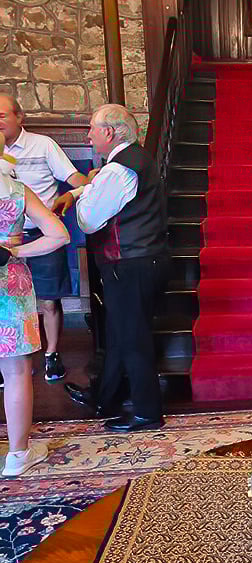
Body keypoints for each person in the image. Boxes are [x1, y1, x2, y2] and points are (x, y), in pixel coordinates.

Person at [56, 105, 169, 432]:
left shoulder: (120, 169)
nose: (88, 134)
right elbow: (103, 191)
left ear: (110, 132)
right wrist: (85, 187)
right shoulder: (131, 161)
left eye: (92, 128)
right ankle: (104, 398)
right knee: (120, 335)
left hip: (130, 263)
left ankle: (148, 413)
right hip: (141, 259)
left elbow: (90, 220)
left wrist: (79, 197)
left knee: (132, 339)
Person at [0, 95, 88, 382]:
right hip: (4, 243)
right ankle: (9, 358)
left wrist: (93, 183)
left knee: (48, 300)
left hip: (42, 236)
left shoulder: (43, 145)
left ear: (19, 117)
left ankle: (51, 354)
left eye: (1, 115)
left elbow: (73, 177)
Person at [0, 134, 70, 477]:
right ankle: (17, 455)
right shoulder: (16, 191)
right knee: (15, 372)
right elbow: (59, 235)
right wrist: (14, 251)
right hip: (9, 282)